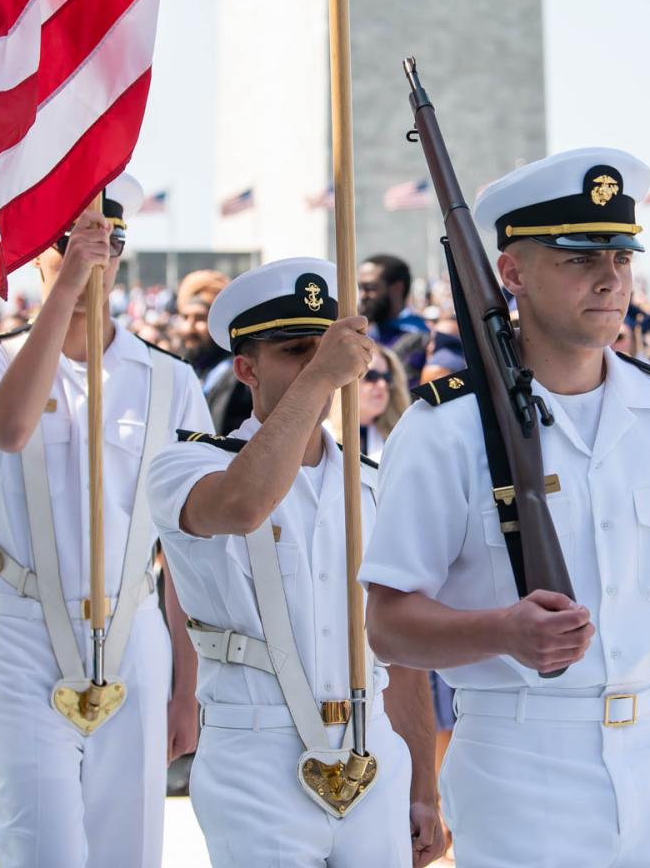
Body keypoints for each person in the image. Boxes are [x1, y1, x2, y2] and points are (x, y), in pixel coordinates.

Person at [362, 147, 650, 868]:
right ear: (511, 272)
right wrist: (501, 632)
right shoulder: (447, 429)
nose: (610, 279)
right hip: (521, 764)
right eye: (577, 258)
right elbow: (388, 626)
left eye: (621, 256)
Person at [0, 175, 211, 868]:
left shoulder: (168, 379)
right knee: (41, 846)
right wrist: (66, 292)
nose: (95, 256)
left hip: (133, 632)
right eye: (69, 243)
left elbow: (186, 546)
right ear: (39, 252)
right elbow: (7, 427)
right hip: (24, 630)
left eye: (111, 242)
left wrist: (189, 686)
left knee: (129, 851)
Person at [150, 258, 445, 867]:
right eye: (296, 352)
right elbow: (244, 503)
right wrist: (321, 380)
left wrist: (422, 784)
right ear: (245, 368)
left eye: (327, 350)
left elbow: (399, 650)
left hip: (371, 749)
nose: (319, 365)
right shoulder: (188, 465)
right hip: (258, 754)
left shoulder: (373, 485)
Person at [326, 345, 411, 458]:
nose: (382, 384)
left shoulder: (399, 440)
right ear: (344, 382)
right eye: (372, 376)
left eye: (387, 377)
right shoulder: (322, 438)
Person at [358, 255, 430, 383]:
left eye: (370, 288)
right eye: (360, 288)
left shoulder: (423, 337)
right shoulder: (367, 334)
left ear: (397, 288)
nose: (362, 296)